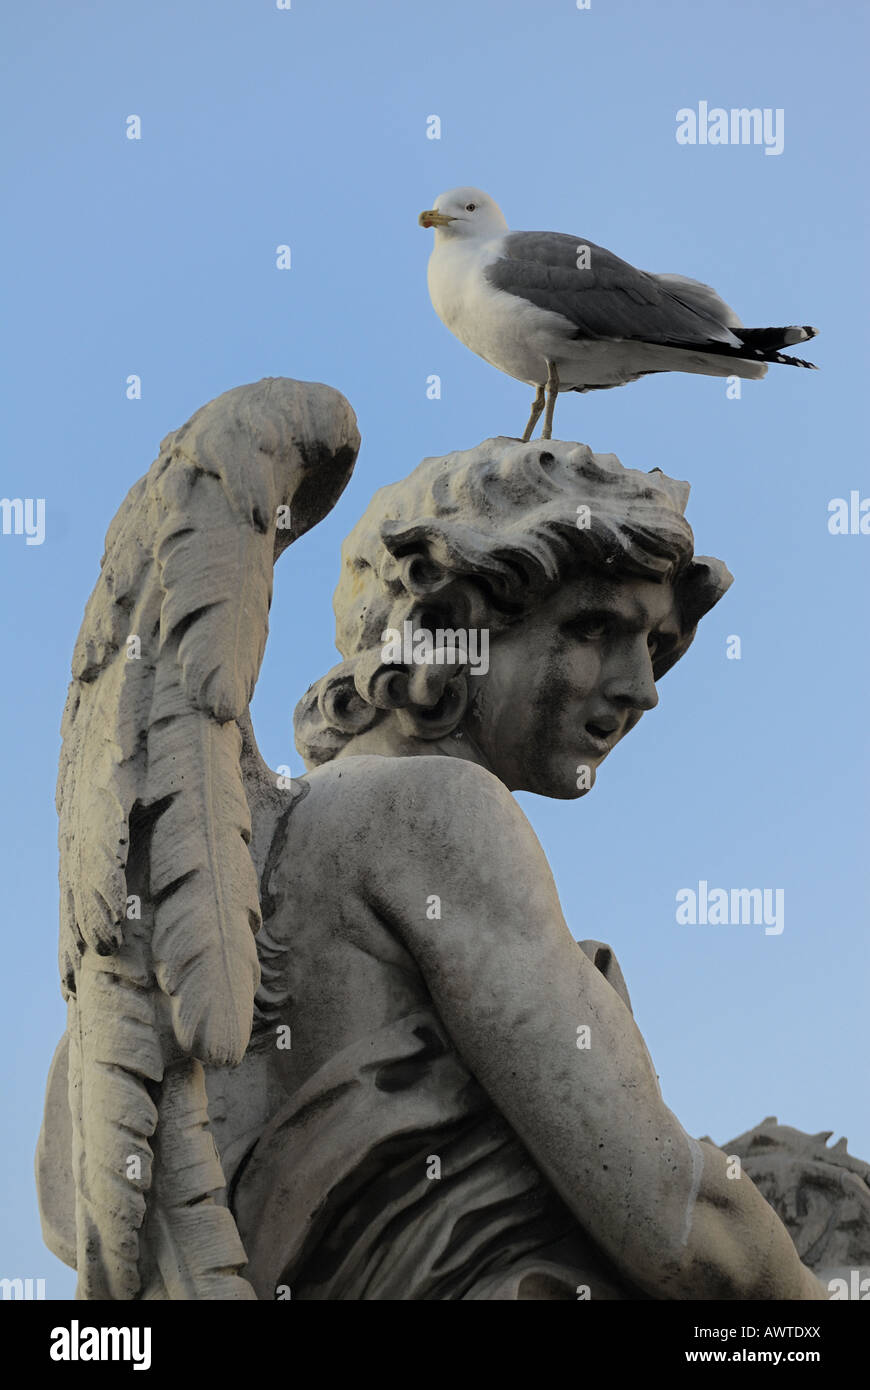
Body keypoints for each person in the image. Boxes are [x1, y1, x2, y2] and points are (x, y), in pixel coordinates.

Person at [228, 437, 826, 1300]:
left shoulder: (269, 833)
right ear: (454, 628)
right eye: (595, 628)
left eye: (653, 643)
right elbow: (669, 1213)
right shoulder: (434, 809)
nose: (642, 685)